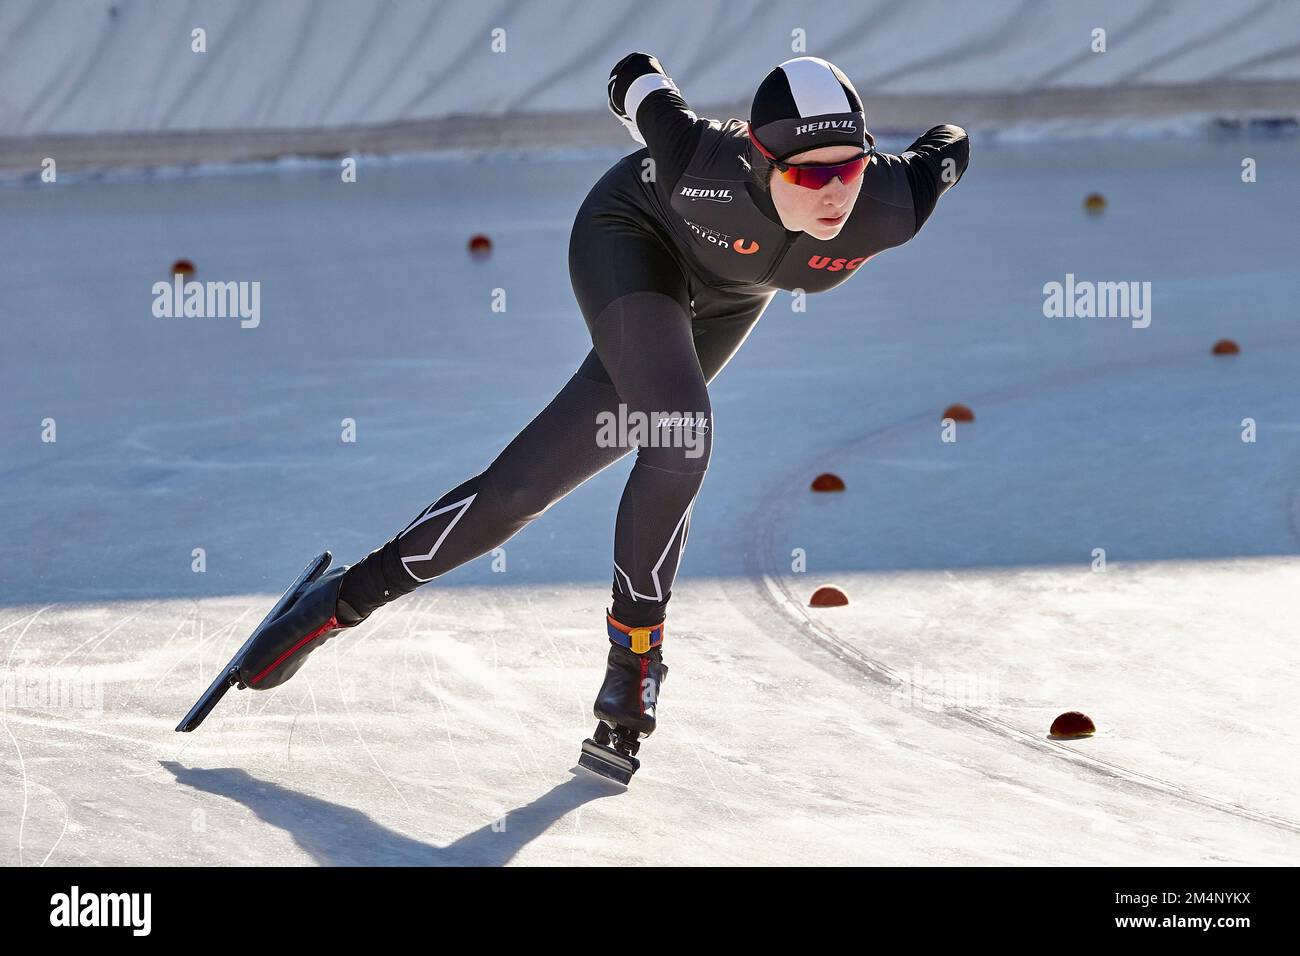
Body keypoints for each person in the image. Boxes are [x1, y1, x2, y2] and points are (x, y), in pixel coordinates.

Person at [234, 52, 970, 744]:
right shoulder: (697, 156)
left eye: (846, 167)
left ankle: (337, 603)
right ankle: (636, 663)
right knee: (679, 435)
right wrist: (637, 97)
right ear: (755, 153)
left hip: (726, 302)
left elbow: (951, 144)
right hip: (632, 241)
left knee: (521, 488)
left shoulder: (894, 200)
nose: (834, 192)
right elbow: (635, 75)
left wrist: (923, 153)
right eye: (807, 178)